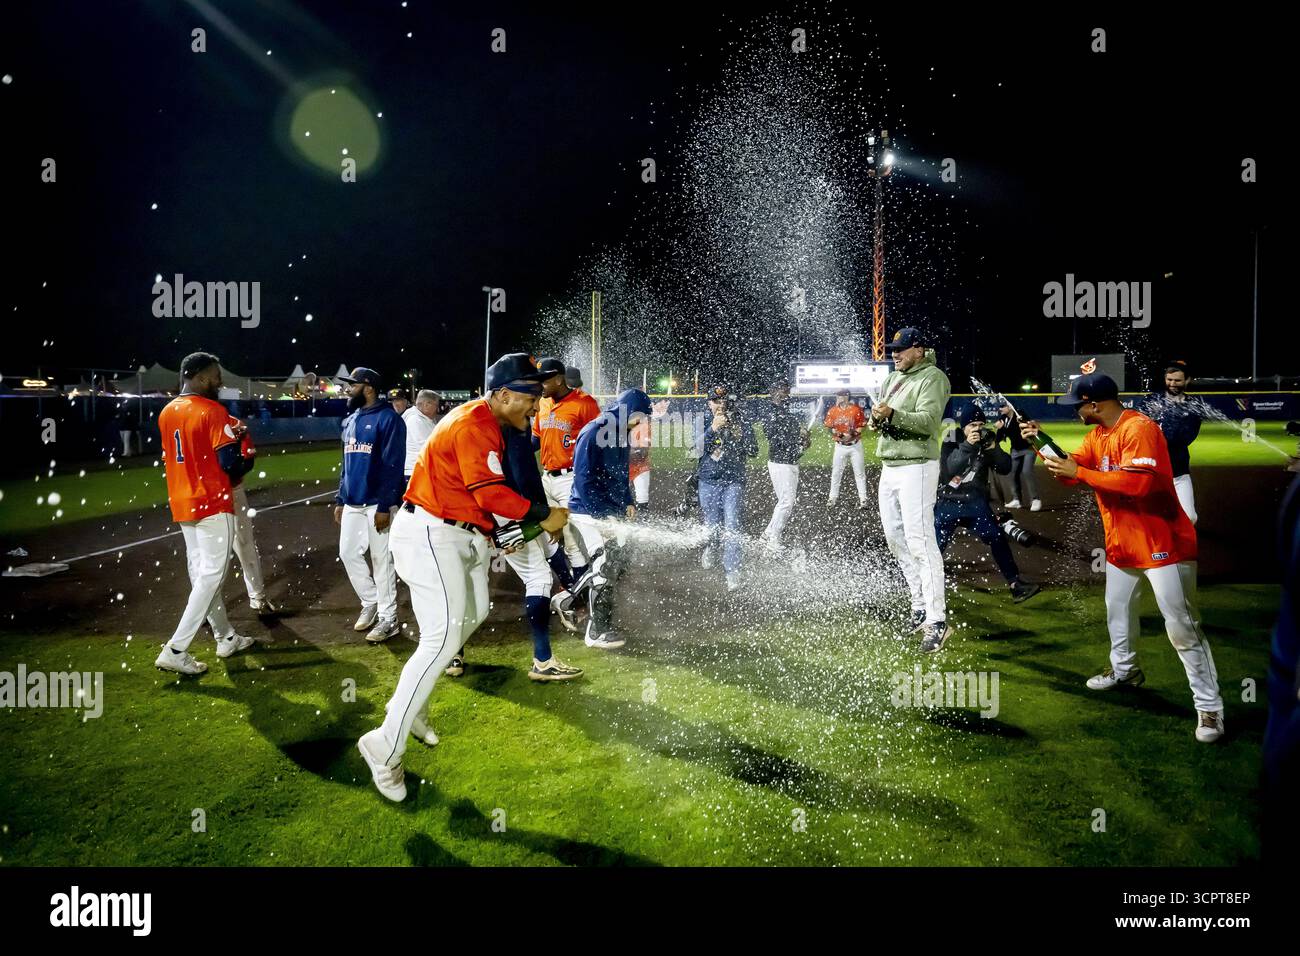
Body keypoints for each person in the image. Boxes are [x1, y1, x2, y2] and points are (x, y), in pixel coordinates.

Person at [356, 354, 569, 801]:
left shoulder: (489, 422)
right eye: (530, 395)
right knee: (443, 638)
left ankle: (408, 710)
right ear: (504, 394)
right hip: (433, 533)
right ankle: (384, 746)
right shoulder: (474, 422)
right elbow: (489, 490)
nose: (537, 404)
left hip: (454, 534)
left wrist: (498, 530)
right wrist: (542, 513)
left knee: (472, 614)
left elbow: (479, 494)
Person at [1023, 372, 1223, 742]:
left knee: (1182, 627)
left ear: (1095, 404)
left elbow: (1139, 484)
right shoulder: (1097, 435)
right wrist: (1041, 441)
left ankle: (1209, 707)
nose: (1075, 412)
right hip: (1123, 545)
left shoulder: (1139, 428)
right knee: (1117, 613)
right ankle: (1125, 670)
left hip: (1165, 545)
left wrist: (1080, 472)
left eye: (1078, 405)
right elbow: (1070, 469)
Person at [153, 352, 256, 675]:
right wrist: (248, 457)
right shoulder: (212, 410)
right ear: (197, 377)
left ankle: (225, 636)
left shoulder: (167, 412)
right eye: (213, 375)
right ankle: (177, 648)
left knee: (202, 575)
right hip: (211, 501)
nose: (219, 381)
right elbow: (230, 464)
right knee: (211, 576)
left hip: (182, 502)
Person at [869, 327, 952, 652]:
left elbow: (930, 423)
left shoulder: (933, 377)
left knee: (921, 541)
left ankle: (937, 620)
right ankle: (919, 607)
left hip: (918, 466)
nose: (895, 354)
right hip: (891, 466)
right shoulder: (891, 379)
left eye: (901, 349)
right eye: (893, 349)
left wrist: (894, 414)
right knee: (895, 539)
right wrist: (879, 420)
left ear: (920, 349)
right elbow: (889, 420)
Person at [563, 388, 654, 649]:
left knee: (616, 563)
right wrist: (604, 520)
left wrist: (627, 502)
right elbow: (583, 480)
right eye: (641, 416)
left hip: (608, 512)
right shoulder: (594, 431)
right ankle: (597, 631)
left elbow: (621, 473)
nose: (642, 422)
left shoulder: (621, 434)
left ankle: (568, 600)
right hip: (587, 512)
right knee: (604, 565)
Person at [936, 404, 1041, 604]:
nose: (977, 429)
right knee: (935, 546)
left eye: (981, 424)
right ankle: (917, 584)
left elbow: (1004, 468)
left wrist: (993, 449)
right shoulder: (952, 437)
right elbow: (949, 470)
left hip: (975, 504)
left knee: (997, 538)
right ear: (964, 426)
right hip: (948, 503)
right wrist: (967, 445)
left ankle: (1015, 585)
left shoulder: (988, 439)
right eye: (972, 425)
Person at [334, 367, 406, 644]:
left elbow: (393, 466)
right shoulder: (352, 419)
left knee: (382, 561)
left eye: (352, 385)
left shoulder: (389, 419)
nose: (347, 389)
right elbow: (346, 463)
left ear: (368, 387)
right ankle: (371, 600)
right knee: (348, 553)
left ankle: (390, 619)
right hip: (353, 502)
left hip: (378, 503)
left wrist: (385, 505)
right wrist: (341, 498)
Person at [532, 357, 601, 621]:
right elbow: (535, 440)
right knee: (545, 537)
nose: (541, 386)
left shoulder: (585, 403)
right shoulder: (544, 403)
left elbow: (598, 444)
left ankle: (584, 600)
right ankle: (572, 588)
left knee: (572, 541)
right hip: (546, 477)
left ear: (559, 379)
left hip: (570, 478)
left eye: (544, 380)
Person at [695, 385, 759, 588]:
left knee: (732, 524)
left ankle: (732, 569)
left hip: (733, 482)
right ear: (709, 403)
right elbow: (692, 451)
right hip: (708, 481)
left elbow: (754, 451)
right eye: (715, 401)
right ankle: (711, 547)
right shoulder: (701, 420)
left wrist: (741, 436)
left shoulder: (741, 420)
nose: (720, 405)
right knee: (712, 524)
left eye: (723, 401)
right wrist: (712, 428)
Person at [227, 414, 276, 615]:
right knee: (241, 545)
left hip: (225, 491)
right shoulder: (231, 424)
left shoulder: (233, 423)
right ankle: (206, 608)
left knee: (242, 543)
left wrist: (225, 476)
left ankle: (257, 596)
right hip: (208, 494)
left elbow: (248, 459)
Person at [755, 379, 810, 554]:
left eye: (786, 390)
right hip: (780, 462)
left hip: (789, 461)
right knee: (787, 502)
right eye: (781, 390)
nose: (785, 393)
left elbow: (793, 439)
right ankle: (774, 539)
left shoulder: (785, 412)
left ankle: (767, 534)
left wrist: (803, 441)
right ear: (773, 392)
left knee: (784, 502)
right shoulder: (771, 411)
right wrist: (796, 437)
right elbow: (774, 437)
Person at [1145, 360, 1201, 524]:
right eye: (1169, 380)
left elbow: (1185, 438)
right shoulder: (1152, 400)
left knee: (1189, 517)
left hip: (1178, 472)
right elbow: (1137, 427)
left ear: (1187, 380)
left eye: (1177, 380)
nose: (1172, 384)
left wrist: (1158, 429)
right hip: (1152, 472)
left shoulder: (1194, 406)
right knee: (1150, 518)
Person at [824, 389, 869, 509]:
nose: (838, 397)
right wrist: (837, 433)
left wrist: (852, 434)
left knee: (859, 473)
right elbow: (829, 426)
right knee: (836, 473)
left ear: (846, 396)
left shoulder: (856, 409)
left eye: (840, 395)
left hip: (855, 446)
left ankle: (863, 499)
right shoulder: (833, 411)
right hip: (839, 446)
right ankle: (832, 498)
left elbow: (861, 425)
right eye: (837, 395)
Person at [995, 403, 1041, 511]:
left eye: (1002, 406)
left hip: (1028, 448)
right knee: (1012, 473)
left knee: (1026, 471)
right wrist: (1000, 429)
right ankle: (1017, 500)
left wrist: (1022, 420)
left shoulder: (1019, 415)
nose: (999, 409)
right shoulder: (1003, 419)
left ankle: (1035, 499)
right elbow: (999, 438)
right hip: (1015, 450)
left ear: (1010, 407)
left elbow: (1022, 429)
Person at [401, 389, 440, 482]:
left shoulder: (424, 419)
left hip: (421, 469)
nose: (437, 409)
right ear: (426, 404)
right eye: (436, 405)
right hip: (415, 470)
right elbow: (426, 446)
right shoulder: (415, 420)